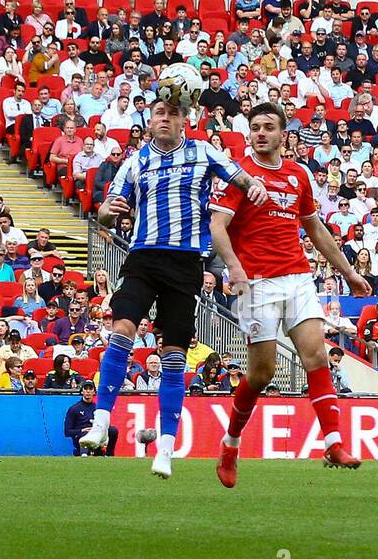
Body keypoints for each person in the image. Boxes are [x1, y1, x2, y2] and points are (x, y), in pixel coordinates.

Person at [79, 80, 269, 478]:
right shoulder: (135, 161)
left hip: (185, 264)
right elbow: (104, 214)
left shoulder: (203, 152)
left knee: (173, 355)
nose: (164, 119)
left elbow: (243, 178)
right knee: (122, 330)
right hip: (143, 257)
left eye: (171, 114)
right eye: (158, 114)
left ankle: (165, 448)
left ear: (185, 120)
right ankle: (99, 421)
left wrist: (255, 187)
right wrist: (108, 212)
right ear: (149, 121)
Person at [208, 102, 372, 488]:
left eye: (268, 127)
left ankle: (333, 442)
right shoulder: (240, 175)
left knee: (315, 354)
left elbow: (315, 230)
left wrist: (349, 272)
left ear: (284, 135)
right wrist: (234, 267)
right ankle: (230, 444)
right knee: (261, 374)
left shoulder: (299, 175)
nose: (260, 133)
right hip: (256, 281)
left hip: (297, 277)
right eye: (254, 127)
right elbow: (218, 225)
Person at [64, 381, 117, 455]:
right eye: (85, 389)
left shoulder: (98, 409)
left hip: (97, 433)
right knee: (86, 433)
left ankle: (109, 454)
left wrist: (98, 428)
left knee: (113, 430)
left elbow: (105, 425)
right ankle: (84, 455)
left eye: (90, 389)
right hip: (81, 435)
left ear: (94, 392)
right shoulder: (74, 409)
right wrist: (82, 430)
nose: (88, 391)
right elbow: (67, 432)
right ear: (82, 391)